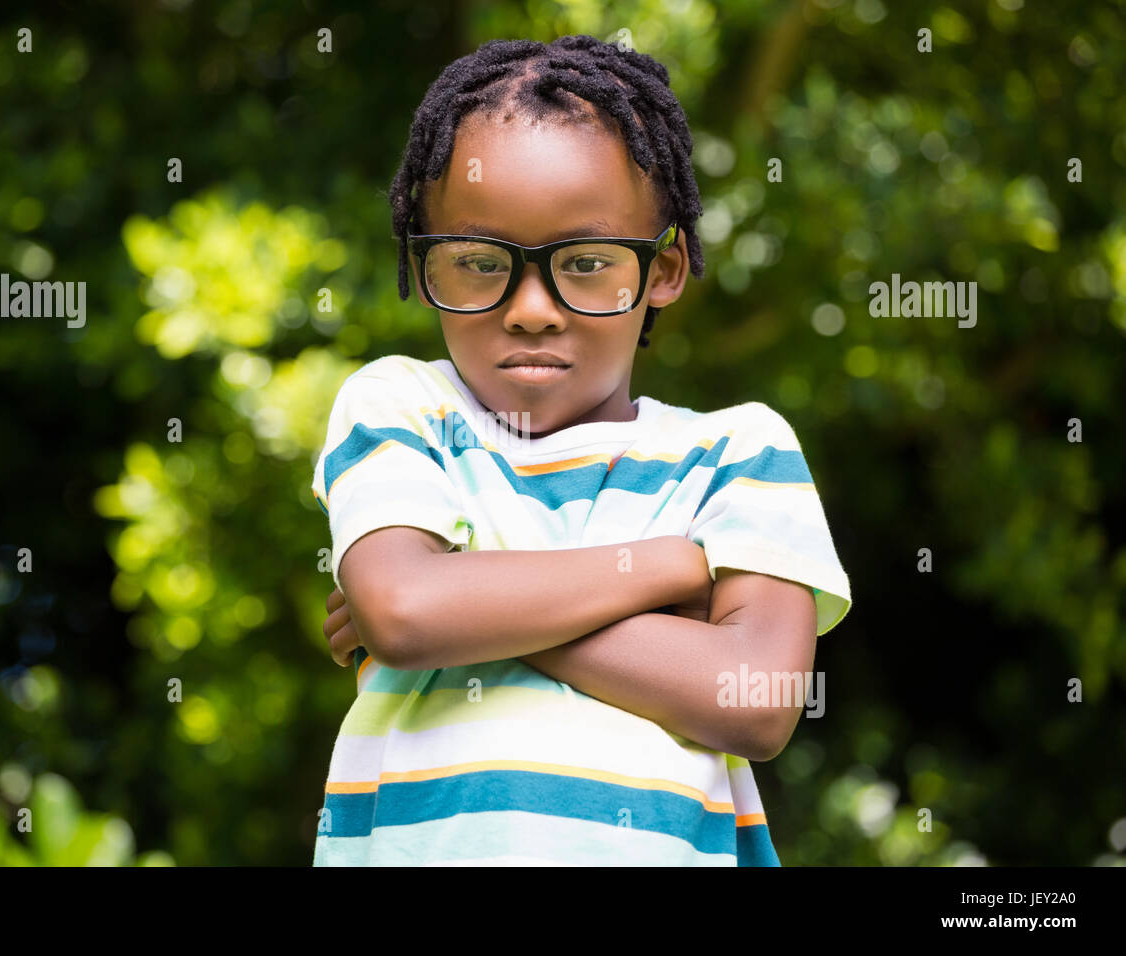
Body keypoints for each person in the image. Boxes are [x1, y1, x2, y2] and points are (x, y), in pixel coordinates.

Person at [310, 34, 852, 865]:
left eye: (587, 262)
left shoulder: (738, 451)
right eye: (480, 263)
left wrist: (463, 600)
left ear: (664, 268)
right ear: (423, 268)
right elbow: (407, 610)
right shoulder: (400, 407)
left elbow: (757, 696)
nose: (531, 308)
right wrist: (669, 571)